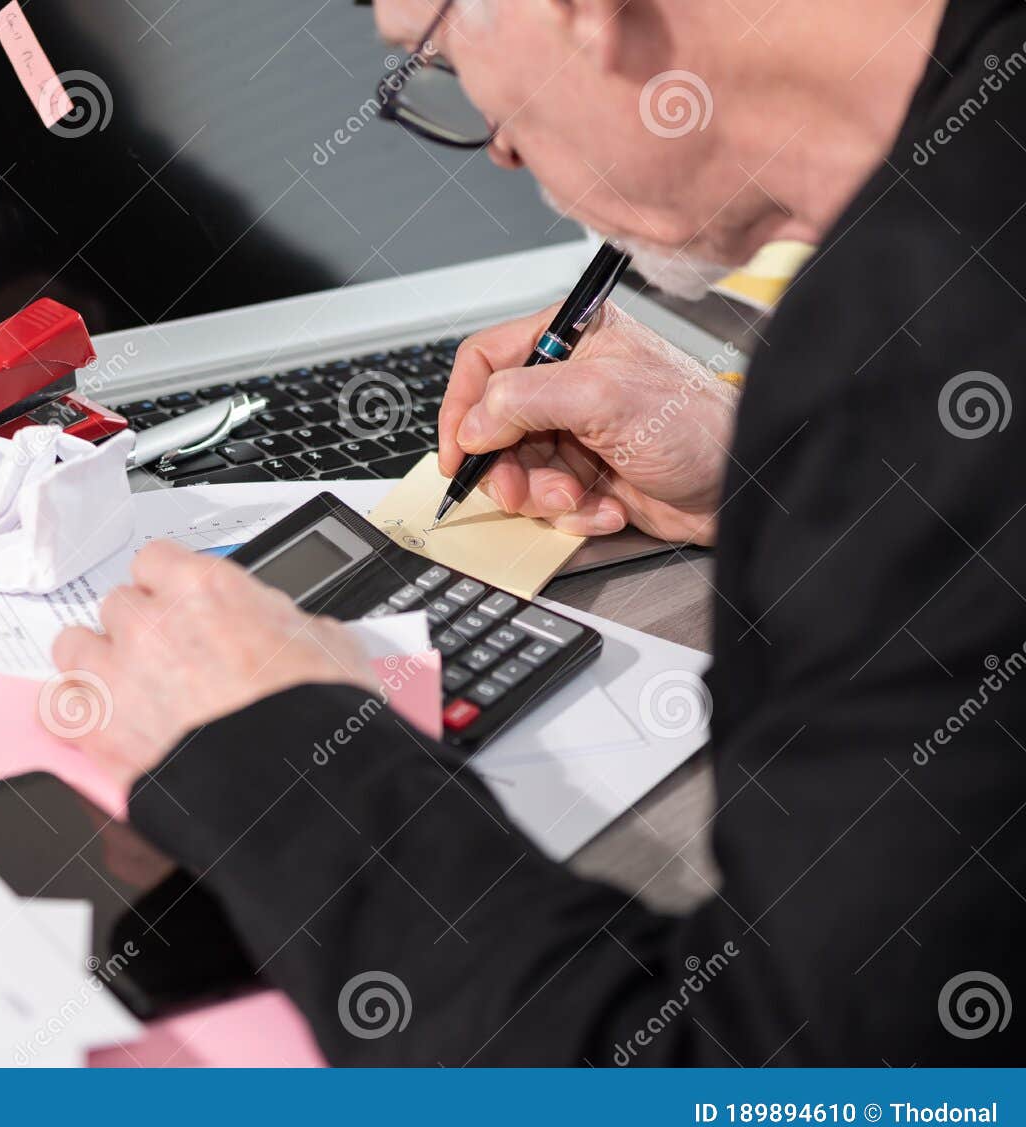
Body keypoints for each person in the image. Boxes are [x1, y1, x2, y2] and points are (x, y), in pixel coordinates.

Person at [51, 0, 1026, 1064]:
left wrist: (272, 760)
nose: (499, 143)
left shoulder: (929, 330)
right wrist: (792, 485)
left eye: (432, 55)